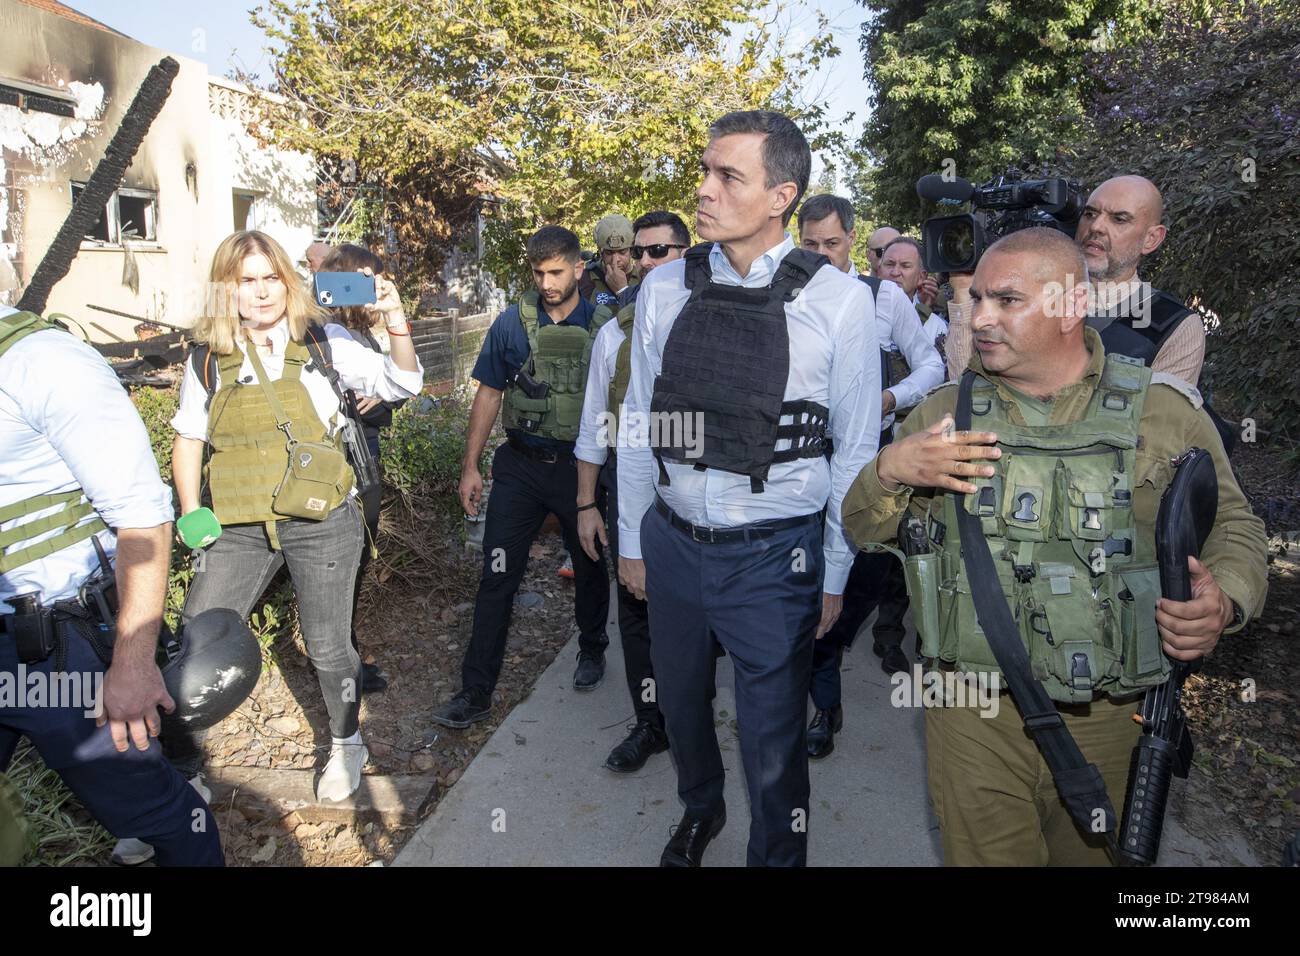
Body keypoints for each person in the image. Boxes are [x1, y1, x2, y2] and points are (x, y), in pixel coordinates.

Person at [841, 228, 1268, 865]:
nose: (980, 317)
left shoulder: (1163, 412)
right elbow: (860, 528)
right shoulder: (939, 414)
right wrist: (892, 470)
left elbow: (1235, 526)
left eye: (1007, 300)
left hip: (1112, 712)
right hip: (971, 711)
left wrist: (1224, 599)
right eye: (977, 297)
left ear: (1071, 307)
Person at [618, 111, 879, 867]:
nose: (703, 190)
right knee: (682, 704)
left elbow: (857, 448)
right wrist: (635, 539)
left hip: (774, 558)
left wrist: (833, 570)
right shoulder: (666, 286)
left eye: (727, 176)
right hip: (672, 542)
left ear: (780, 196)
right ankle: (701, 810)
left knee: (772, 739)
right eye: (703, 170)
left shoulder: (839, 301)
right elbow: (642, 421)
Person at [168, 230, 422, 803]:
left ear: (288, 281)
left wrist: (396, 320)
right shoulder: (207, 355)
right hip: (237, 524)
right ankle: (183, 770)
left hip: (322, 518)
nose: (260, 293)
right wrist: (191, 512)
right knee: (197, 639)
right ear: (226, 289)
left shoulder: (322, 341)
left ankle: (346, 742)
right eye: (245, 281)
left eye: (270, 279)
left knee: (329, 647)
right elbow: (188, 436)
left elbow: (403, 382)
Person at [0, 305, 222, 865]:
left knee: (162, 816)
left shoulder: (42, 360)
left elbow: (144, 518)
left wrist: (132, 664)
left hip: (51, 647)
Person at [433, 226, 613, 730]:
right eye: (539, 273)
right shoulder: (513, 323)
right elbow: (489, 393)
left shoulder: (605, 323)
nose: (547, 282)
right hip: (520, 466)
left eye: (556, 271)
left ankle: (593, 647)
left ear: (579, 268)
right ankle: (475, 691)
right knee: (496, 575)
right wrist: (470, 465)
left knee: (590, 563)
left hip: (582, 469)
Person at [798, 197, 944, 756]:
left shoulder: (882, 296)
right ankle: (815, 702)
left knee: (848, 589)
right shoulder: (787, 296)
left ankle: (825, 692)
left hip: (868, 472)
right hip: (802, 469)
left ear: (851, 243)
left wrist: (889, 397)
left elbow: (932, 364)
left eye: (830, 244)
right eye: (809, 244)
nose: (819, 255)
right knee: (806, 587)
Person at [575, 210, 689, 773]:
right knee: (636, 612)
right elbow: (596, 425)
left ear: (688, 255)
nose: (645, 264)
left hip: (704, 495)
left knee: (699, 620)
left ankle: (695, 722)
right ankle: (651, 724)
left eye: (658, 252)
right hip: (634, 489)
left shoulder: (714, 321)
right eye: (638, 254)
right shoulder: (614, 334)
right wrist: (586, 503)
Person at [945, 175, 1204, 388]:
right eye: (1090, 214)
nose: (1096, 227)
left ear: (1152, 239)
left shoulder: (1172, 325)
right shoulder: (1031, 299)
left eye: (1119, 219)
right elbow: (964, 394)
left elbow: (1160, 435)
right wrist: (964, 293)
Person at [315, 243, 412, 695]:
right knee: (339, 562)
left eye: (375, 280)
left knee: (354, 560)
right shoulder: (322, 333)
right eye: (360, 281)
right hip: (337, 463)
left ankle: (344, 653)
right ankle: (341, 662)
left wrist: (384, 393)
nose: (370, 291)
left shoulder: (359, 335)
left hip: (363, 453)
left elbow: (403, 383)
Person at [880, 236, 949, 362]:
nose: (895, 272)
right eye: (889, 264)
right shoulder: (860, 315)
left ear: (921, 277)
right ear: (879, 271)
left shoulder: (936, 328)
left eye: (905, 266)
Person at [582, 215, 639, 309]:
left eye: (622, 252)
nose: (615, 260)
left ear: (631, 251)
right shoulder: (585, 279)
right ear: (601, 252)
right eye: (609, 253)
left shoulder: (642, 278)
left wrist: (622, 290)